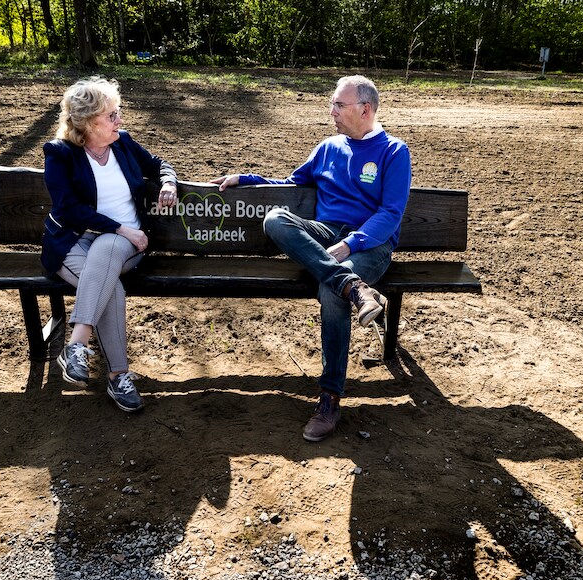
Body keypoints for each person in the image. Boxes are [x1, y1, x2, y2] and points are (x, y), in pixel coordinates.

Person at [212, 75, 411, 442]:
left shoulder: (394, 152)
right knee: (275, 219)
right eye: (333, 103)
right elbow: (290, 184)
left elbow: (391, 213)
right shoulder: (327, 148)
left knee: (329, 290)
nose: (331, 111)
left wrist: (352, 244)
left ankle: (330, 397)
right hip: (325, 232)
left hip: (370, 245)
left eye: (339, 104)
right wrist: (246, 178)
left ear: (364, 109)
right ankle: (353, 286)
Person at [41, 77, 178, 412]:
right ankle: (118, 376)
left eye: (118, 113)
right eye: (112, 115)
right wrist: (120, 227)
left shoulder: (124, 143)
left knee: (107, 248)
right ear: (89, 124)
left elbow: (160, 164)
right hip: (72, 242)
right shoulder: (60, 154)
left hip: (124, 245)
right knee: (109, 286)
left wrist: (168, 182)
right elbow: (69, 210)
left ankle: (76, 345)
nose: (120, 120)